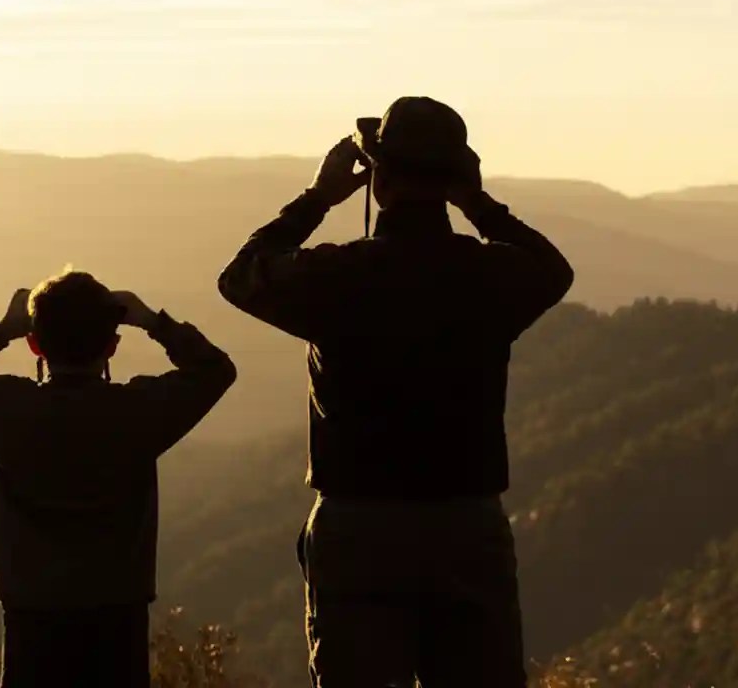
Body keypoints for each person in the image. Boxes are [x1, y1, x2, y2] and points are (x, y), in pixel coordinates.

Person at [218, 96, 574, 687]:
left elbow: (240, 276)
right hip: (466, 519)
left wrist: (317, 198)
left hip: (359, 522)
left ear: (377, 181)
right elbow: (553, 269)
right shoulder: (490, 275)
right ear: (456, 178)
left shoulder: (340, 275)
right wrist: (478, 204)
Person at [0, 268, 237, 688]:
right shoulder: (136, 413)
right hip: (118, 627)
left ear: (35, 343)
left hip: (31, 626)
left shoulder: (10, 411)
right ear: (111, 345)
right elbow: (214, 370)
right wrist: (152, 321)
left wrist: (3, 330)